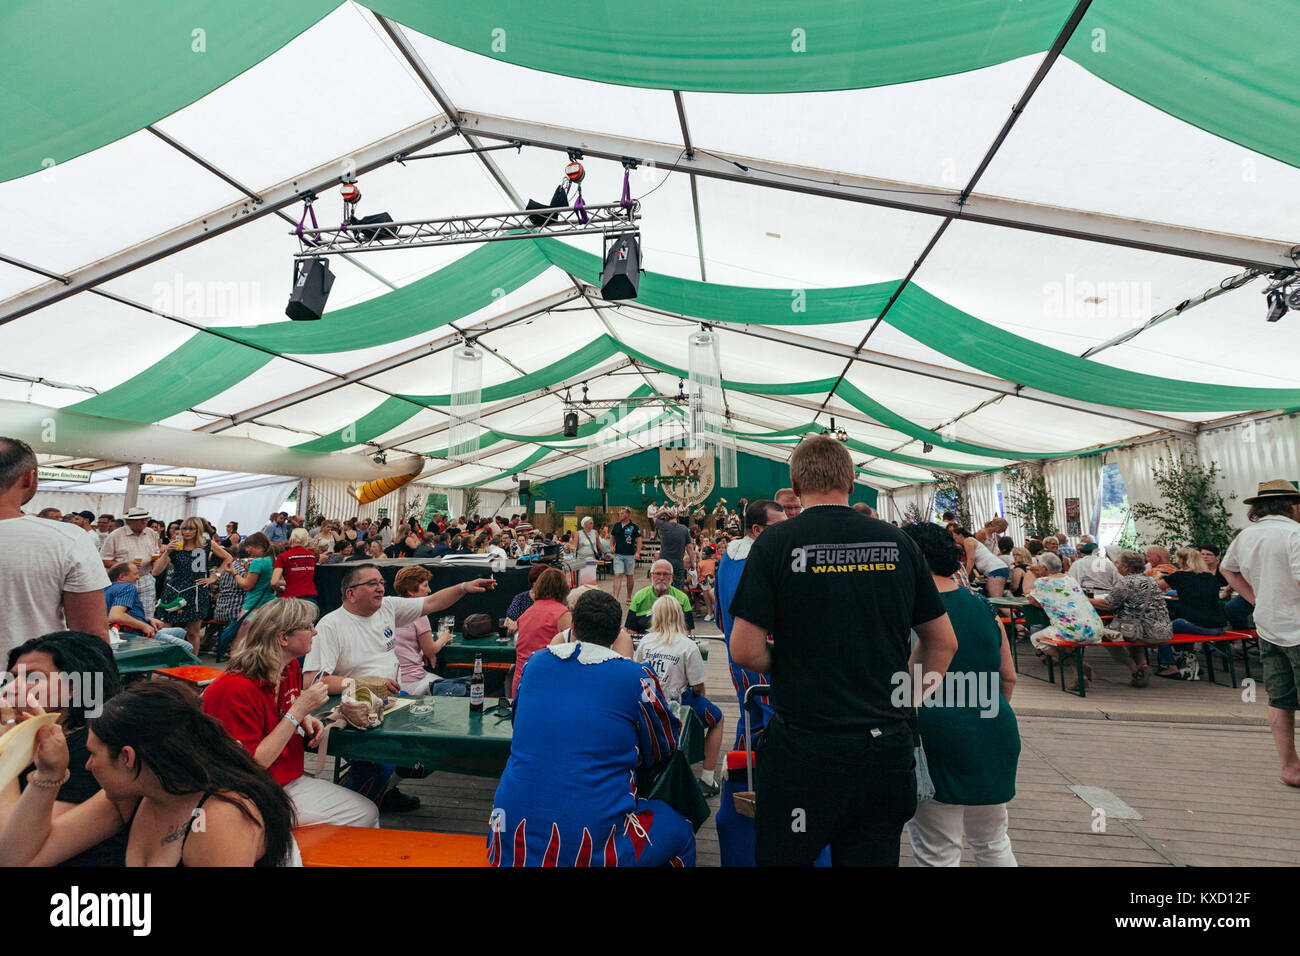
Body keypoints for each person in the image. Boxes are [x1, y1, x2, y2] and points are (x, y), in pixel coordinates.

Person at [729, 435, 957, 866]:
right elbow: (943, 642)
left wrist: (794, 667)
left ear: (795, 485)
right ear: (852, 480)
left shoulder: (775, 545)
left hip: (804, 749)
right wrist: (904, 699)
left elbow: (744, 650)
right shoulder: (899, 543)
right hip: (882, 749)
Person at [488, 589, 695, 867]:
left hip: (510, 833)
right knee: (681, 831)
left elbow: (519, 722)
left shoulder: (535, 664)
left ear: (573, 627)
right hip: (592, 840)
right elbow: (663, 745)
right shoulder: (636, 677)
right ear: (618, 633)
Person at [303, 564, 495, 810]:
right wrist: (362, 683)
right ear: (350, 593)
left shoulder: (388, 607)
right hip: (356, 710)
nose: (380, 587)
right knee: (378, 763)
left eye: (382, 582)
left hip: (395, 700)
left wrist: (463, 587)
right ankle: (350, 806)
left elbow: (432, 602)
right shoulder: (331, 625)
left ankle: (383, 789)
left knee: (436, 744)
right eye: (372, 583)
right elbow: (313, 681)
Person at [202, 598, 378, 829]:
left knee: (365, 812)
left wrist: (305, 718)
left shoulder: (289, 666)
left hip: (281, 780)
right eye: (307, 627)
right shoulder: (234, 688)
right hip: (245, 794)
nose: (315, 632)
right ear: (283, 638)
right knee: (364, 813)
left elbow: (281, 715)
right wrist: (297, 712)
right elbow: (252, 763)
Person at [902, 523, 1019, 867]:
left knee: (938, 849)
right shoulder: (985, 608)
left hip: (934, 735)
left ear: (915, 558)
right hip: (994, 729)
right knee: (993, 841)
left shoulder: (909, 611)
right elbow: (1008, 677)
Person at [0, 632, 126, 866]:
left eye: (33, 678)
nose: (11, 689)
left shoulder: (91, 751)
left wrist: (5, 757)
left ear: (76, 687)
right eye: (12, 677)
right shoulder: (23, 733)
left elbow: (10, 849)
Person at [1219, 480, 1300, 787]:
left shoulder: (1246, 536)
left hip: (1267, 624)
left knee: (1280, 697)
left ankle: (1290, 767)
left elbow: (1228, 570)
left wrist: (1255, 598)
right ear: (1291, 505)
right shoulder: (1295, 533)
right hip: (1297, 625)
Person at [0, 437, 110, 654]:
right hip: (28, 682)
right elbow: (91, 636)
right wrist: (97, 687)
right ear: (29, 478)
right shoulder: (67, 539)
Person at [634, 595, 725, 796]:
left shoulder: (645, 642)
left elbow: (637, 673)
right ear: (679, 617)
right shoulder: (688, 646)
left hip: (649, 704)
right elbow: (698, 687)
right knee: (717, 719)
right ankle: (708, 779)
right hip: (677, 704)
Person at [715, 499, 785, 748]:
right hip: (760, 655)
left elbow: (719, 615)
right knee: (772, 721)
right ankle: (767, 782)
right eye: (778, 527)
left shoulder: (728, 557)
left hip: (736, 655)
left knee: (749, 717)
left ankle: (741, 778)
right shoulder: (759, 560)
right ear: (757, 529)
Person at [1092, 550, 1173, 687]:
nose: (1115, 565)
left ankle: (1134, 668)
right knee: (1132, 632)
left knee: (1104, 635)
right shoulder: (1151, 580)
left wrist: (1086, 599)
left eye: (1117, 563)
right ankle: (1143, 666)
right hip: (1163, 629)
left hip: (1143, 631)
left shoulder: (1126, 582)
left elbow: (1108, 605)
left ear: (1126, 567)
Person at [153, 516, 230, 654]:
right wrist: (167, 552)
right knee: (165, 629)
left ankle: (193, 665)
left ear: (198, 530)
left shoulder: (206, 544)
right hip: (174, 589)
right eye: (184, 529)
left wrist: (215, 576)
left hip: (196, 591)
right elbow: (156, 571)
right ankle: (163, 661)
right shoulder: (175, 546)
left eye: (191, 529)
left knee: (193, 632)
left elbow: (228, 558)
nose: (187, 532)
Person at [391, 566, 471, 697]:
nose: (429, 590)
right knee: (464, 688)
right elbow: (431, 650)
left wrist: (421, 652)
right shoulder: (419, 613)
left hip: (391, 681)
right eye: (425, 586)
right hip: (413, 682)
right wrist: (444, 638)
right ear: (411, 591)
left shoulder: (391, 609)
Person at [1152, 547, 1228, 678]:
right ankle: (1188, 660)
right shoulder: (1210, 577)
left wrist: (1158, 576)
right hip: (1220, 626)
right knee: (1180, 625)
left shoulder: (1181, 576)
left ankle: (1170, 665)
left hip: (1199, 624)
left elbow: (1155, 586)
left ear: (1183, 561)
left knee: (1161, 630)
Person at [215, 531, 275, 663]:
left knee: (238, 642)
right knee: (261, 642)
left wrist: (234, 573)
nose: (247, 550)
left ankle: (235, 670)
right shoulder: (271, 560)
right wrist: (247, 571)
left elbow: (247, 586)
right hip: (269, 605)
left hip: (252, 606)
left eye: (249, 546)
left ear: (258, 546)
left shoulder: (258, 562)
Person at [104, 562, 194, 649]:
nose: (138, 577)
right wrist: (144, 626)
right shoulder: (127, 587)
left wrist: (147, 619)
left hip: (119, 632)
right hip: (138, 634)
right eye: (135, 574)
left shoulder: (106, 589)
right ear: (122, 577)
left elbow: (115, 614)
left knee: (180, 632)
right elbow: (116, 616)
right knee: (187, 647)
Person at [512, 568, 571, 698]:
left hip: (521, 680)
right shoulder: (563, 615)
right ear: (563, 589)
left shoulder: (526, 614)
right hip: (548, 681)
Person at [100, 506, 163, 618]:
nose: (145, 521)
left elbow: (155, 555)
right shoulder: (116, 535)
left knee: (147, 614)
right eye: (141, 519)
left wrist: (156, 560)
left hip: (145, 578)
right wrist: (126, 565)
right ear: (130, 521)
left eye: (146, 519)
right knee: (121, 614)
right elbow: (104, 560)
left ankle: (146, 633)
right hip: (122, 580)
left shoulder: (151, 533)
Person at [626, 559, 695, 634]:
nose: (661, 578)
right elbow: (631, 631)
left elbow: (687, 632)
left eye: (665, 574)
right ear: (651, 576)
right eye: (658, 574)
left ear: (672, 577)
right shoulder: (639, 597)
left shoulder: (682, 599)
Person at [954, 526, 1009, 597]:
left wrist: (966, 575)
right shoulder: (970, 541)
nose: (954, 540)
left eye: (955, 537)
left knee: (996, 599)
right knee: (992, 596)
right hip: (996, 569)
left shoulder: (967, 541)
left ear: (960, 535)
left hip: (996, 569)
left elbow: (971, 559)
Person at [271, 527, 320, 607]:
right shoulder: (312, 556)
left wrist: (279, 590)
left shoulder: (283, 557)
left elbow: (274, 582)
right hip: (309, 595)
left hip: (291, 597)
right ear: (305, 539)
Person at [655, 507, 694, 591]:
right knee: (678, 590)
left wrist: (664, 511)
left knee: (664, 588)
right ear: (676, 518)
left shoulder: (663, 526)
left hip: (664, 564)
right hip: (678, 564)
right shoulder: (684, 529)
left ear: (666, 519)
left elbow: (654, 517)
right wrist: (693, 563)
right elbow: (690, 548)